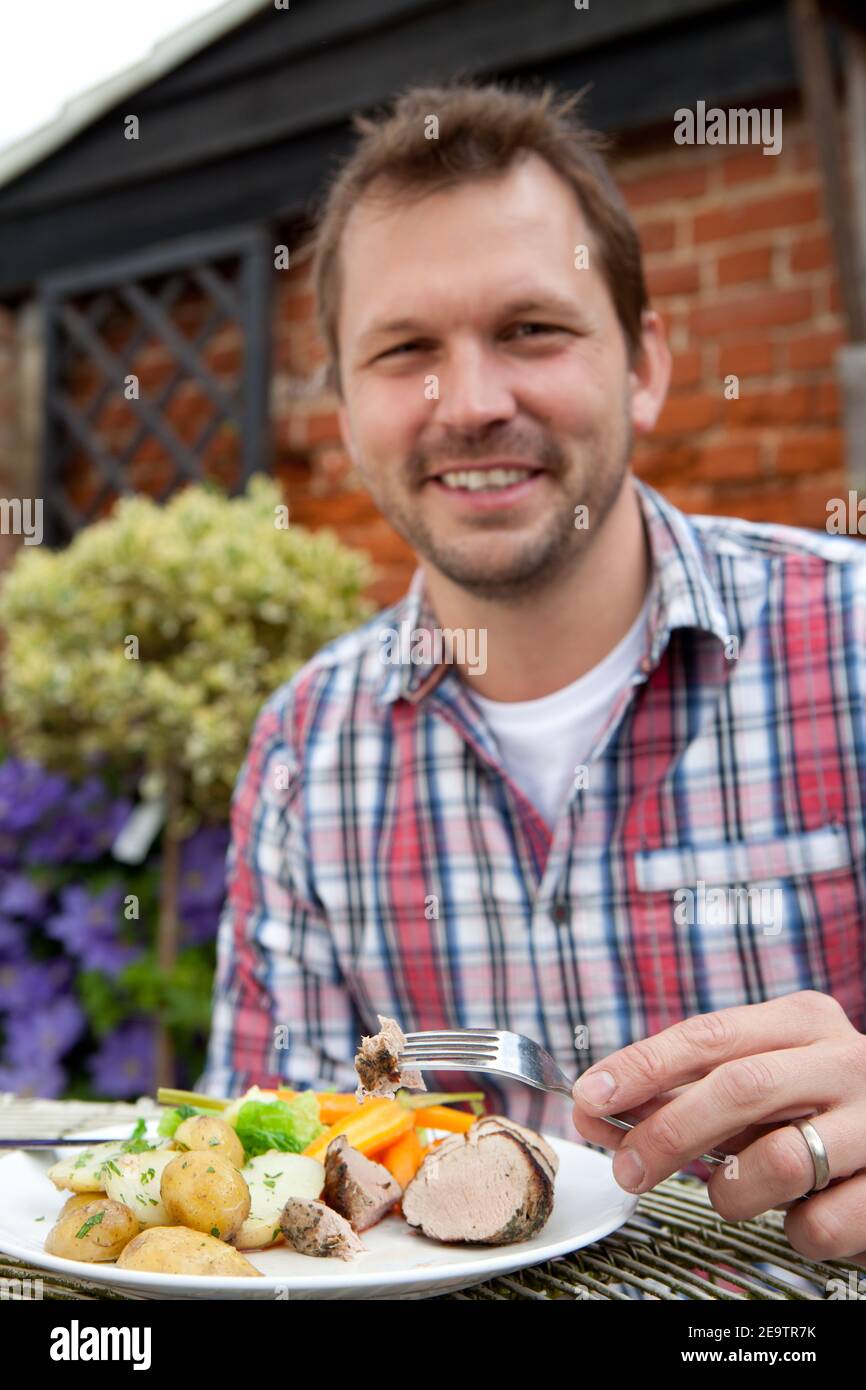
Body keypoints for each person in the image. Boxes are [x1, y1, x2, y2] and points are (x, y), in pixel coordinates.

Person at [198, 79, 866, 1264]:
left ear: (644, 365)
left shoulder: (851, 642)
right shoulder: (304, 749)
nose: (474, 403)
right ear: (345, 410)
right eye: (405, 351)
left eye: (531, 330)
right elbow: (259, 1196)